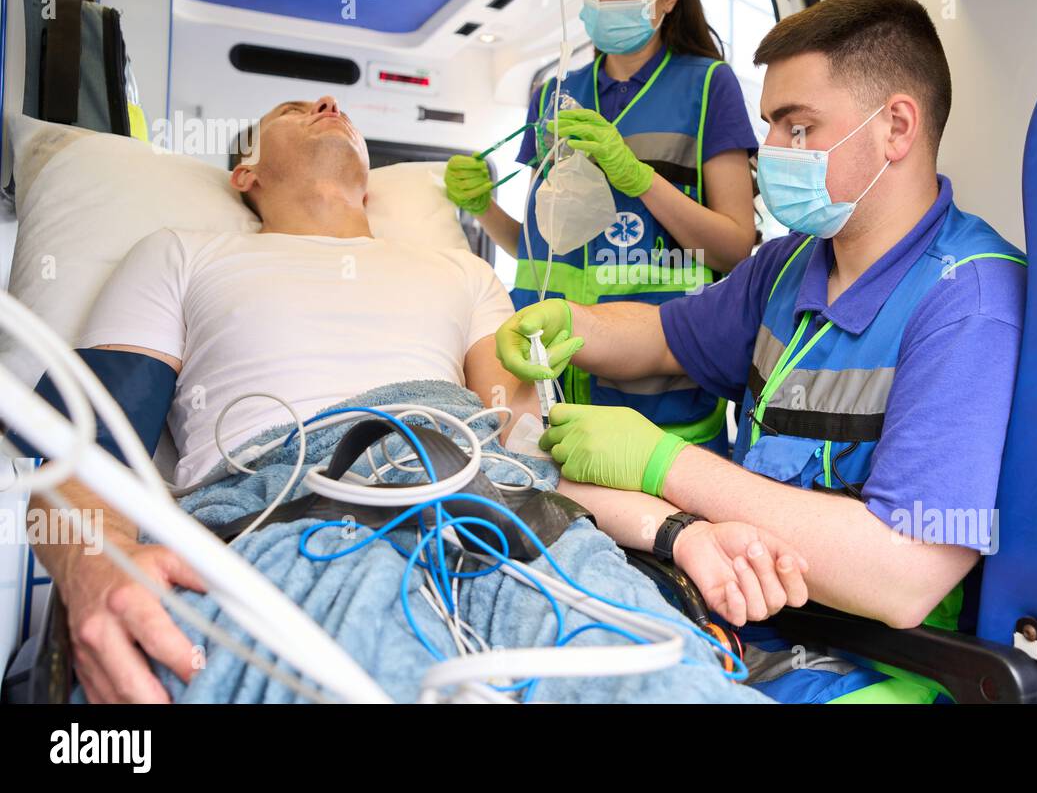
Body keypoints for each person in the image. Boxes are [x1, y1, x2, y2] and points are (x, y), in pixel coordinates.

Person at [24, 95, 807, 703]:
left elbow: (524, 458)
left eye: (333, 106)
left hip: (499, 516)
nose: (325, 108)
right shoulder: (183, 255)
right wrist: (97, 565)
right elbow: (71, 443)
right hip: (291, 518)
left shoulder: (461, 273)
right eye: (294, 111)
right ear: (245, 176)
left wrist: (675, 533)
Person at [496, 0, 1029, 704]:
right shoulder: (788, 264)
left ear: (895, 127)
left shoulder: (968, 301)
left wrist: (662, 463)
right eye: (770, 125)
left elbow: (903, 575)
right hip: (746, 615)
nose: (770, 152)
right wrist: (567, 324)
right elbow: (663, 337)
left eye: (797, 127)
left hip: (879, 664)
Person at [445, 0, 759, 455]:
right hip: (549, 370)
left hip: (657, 383)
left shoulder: (708, 87)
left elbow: (735, 248)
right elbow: (542, 249)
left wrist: (639, 179)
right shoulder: (553, 95)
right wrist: (481, 207)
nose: (605, 4)